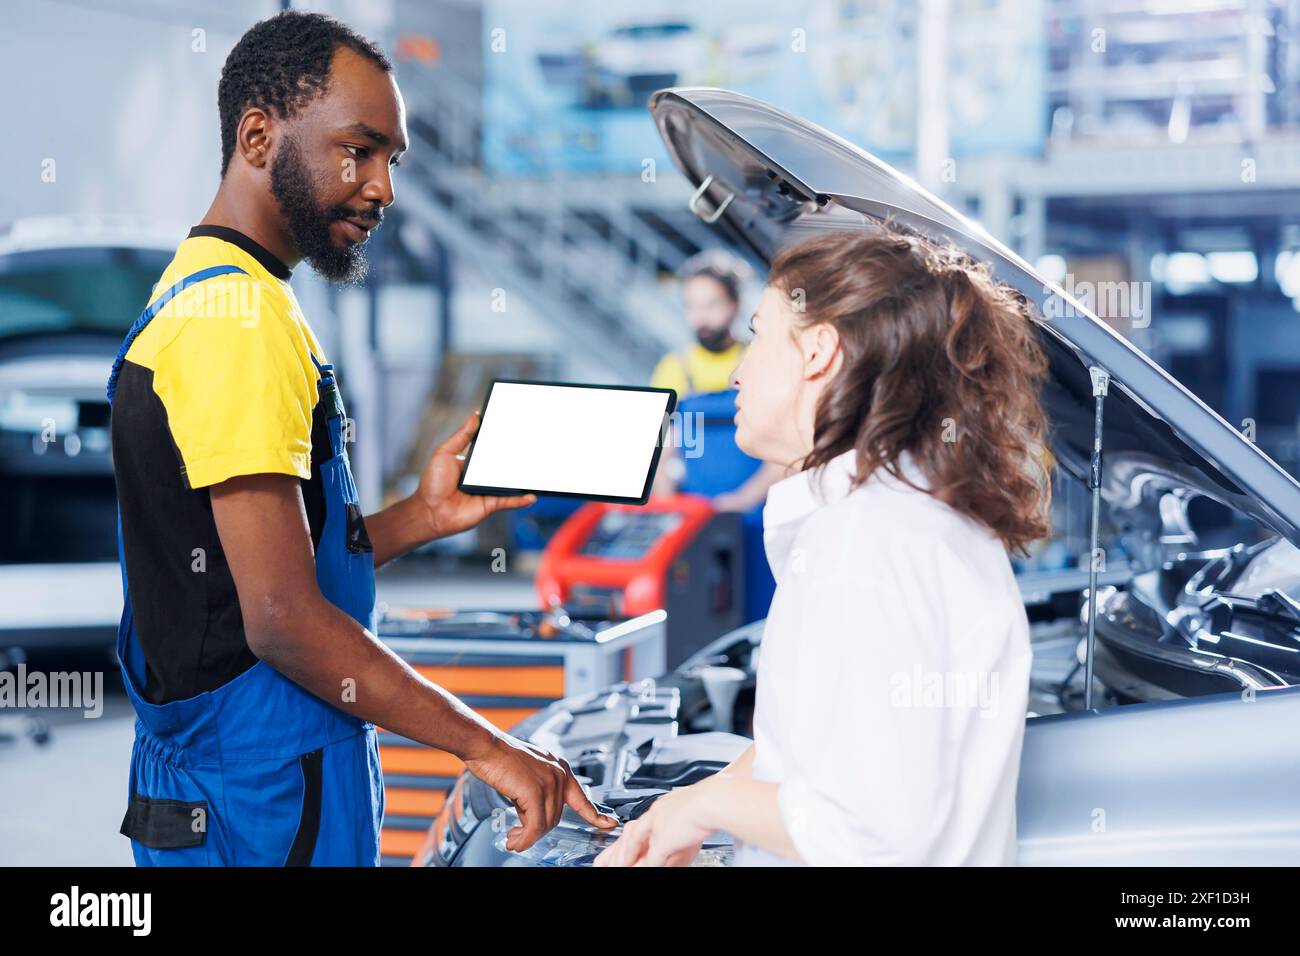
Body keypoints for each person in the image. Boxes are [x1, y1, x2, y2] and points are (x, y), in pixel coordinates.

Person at [109, 11, 614, 866]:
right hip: (263, 797)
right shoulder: (237, 321)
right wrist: (490, 748)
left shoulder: (218, 293)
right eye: (360, 148)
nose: (383, 187)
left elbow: (243, 581)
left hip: (242, 784)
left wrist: (418, 516)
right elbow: (281, 620)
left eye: (393, 160)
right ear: (260, 136)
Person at [596, 226, 1052, 866]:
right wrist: (696, 801)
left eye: (758, 336)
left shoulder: (865, 547)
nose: (738, 371)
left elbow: (877, 830)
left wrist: (701, 808)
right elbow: (820, 746)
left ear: (817, 353)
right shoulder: (906, 520)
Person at [650, 250, 783, 513]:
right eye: (692, 306)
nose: (700, 318)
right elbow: (658, 454)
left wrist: (743, 500)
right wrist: (669, 509)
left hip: (759, 513)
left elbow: (785, 446)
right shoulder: (674, 369)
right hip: (694, 517)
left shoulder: (760, 360)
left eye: (712, 305)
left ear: (735, 304)